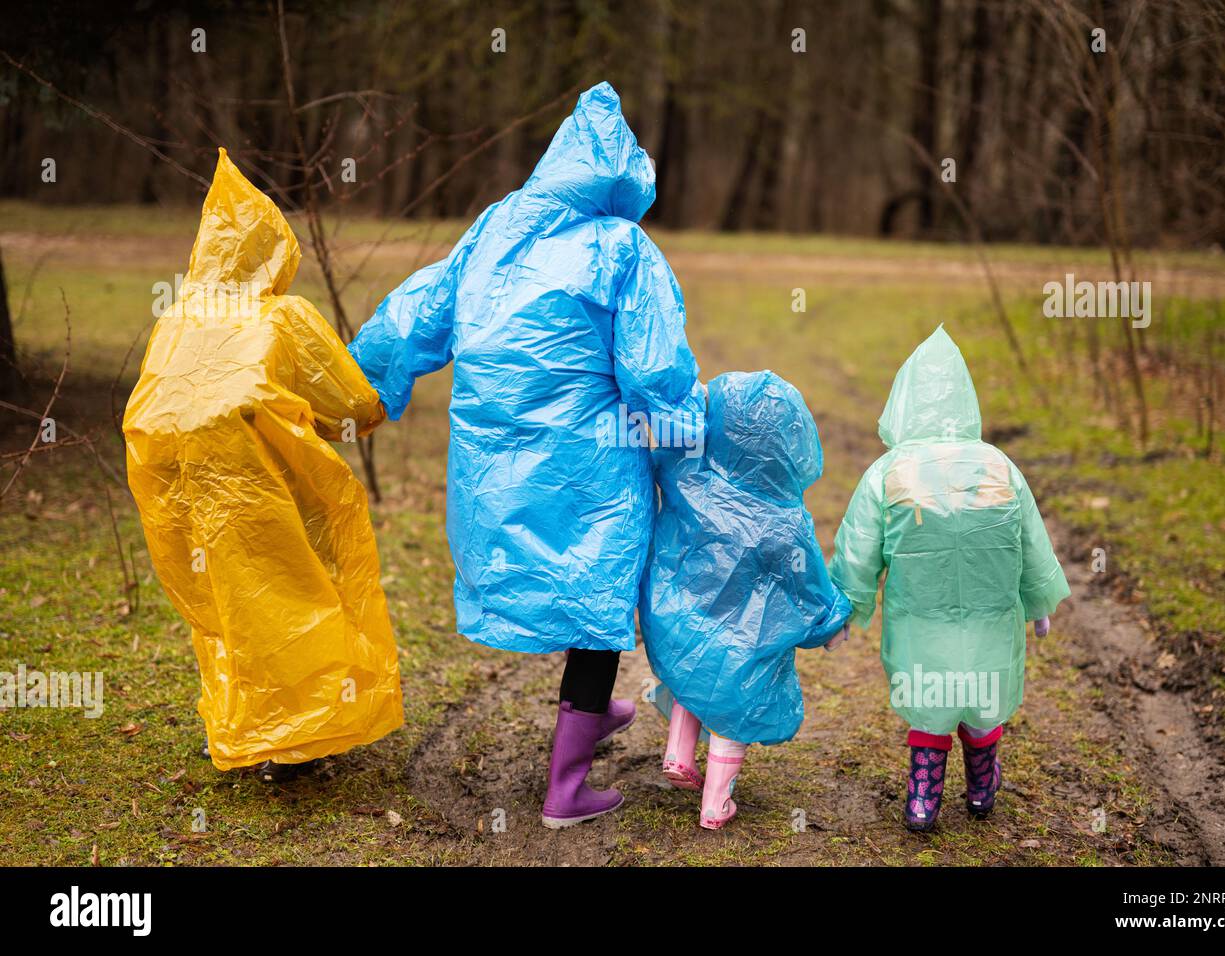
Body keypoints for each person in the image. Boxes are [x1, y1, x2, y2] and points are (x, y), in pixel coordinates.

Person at [348, 82, 704, 828]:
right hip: (592, 456)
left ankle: (593, 713)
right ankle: (567, 790)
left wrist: (363, 384)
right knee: (598, 597)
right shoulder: (622, 245)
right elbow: (652, 367)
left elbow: (424, 308)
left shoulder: (497, 226)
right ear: (624, 176)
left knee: (578, 587)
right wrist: (685, 431)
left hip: (492, 460)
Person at [124, 149, 403, 781]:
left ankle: (245, 723)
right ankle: (295, 737)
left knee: (225, 598)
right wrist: (370, 404)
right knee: (285, 591)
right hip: (250, 477)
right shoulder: (281, 316)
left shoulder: (175, 317)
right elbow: (352, 402)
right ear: (273, 252)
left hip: (170, 481)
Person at [829, 326, 1069, 832]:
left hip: (923, 616)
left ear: (905, 399)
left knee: (931, 689)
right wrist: (1038, 598)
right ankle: (958, 777)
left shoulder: (889, 471)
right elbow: (1031, 540)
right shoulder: (999, 466)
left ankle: (953, 780)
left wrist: (846, 606)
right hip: (981, 614)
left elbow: (858, 547)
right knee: (977, 690)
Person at [641, 371, 851, 830]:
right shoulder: (784, 521)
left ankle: (678, 751)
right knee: (737, 702)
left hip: (680, 618)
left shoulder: (688, 473)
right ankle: (716, 803)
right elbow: (810, 586)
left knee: (693, 672)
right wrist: (833, 621)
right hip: (741, 643)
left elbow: (663, 450)